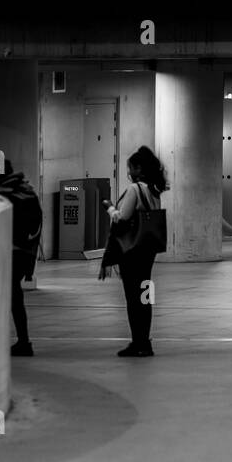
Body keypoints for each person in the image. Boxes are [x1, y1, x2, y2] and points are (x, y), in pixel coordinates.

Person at [99, 146, 169, 357]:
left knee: (132, 297)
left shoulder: (135, 189)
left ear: (139, 168)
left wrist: (110, 207)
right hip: (148, 250)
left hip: (133, 250)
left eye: (130, 168)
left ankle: (137, 342)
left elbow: (122, 217)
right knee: (145, 296)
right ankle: (144, 341)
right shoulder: (154, 190)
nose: (128, 173)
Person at [0, 158, 43, 357]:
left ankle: (18, 341)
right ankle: (22, 341)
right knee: (14, 296)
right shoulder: (28, 190)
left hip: (9, 252)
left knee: (6, 297)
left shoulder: (1, 195)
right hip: (26, 252)